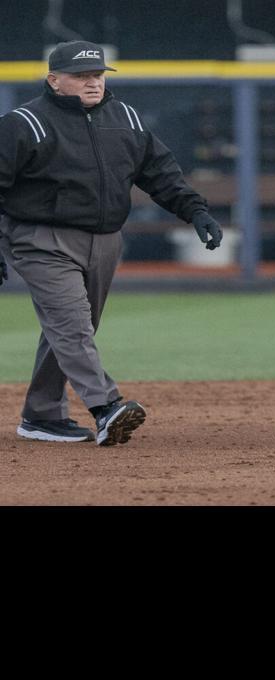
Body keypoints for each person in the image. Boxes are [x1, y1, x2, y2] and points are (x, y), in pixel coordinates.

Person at [0, 41, 223, 446]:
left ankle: (42, 416)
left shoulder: (125, 118)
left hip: (104, 240)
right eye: (81, 76)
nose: (93, 83)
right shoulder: (24, 122)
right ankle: (106, 407)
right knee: (72, 326)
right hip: (39, 239)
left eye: (98, 75)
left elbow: (159, 172)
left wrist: (195, 211)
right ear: (54, 79)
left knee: (67, 330)